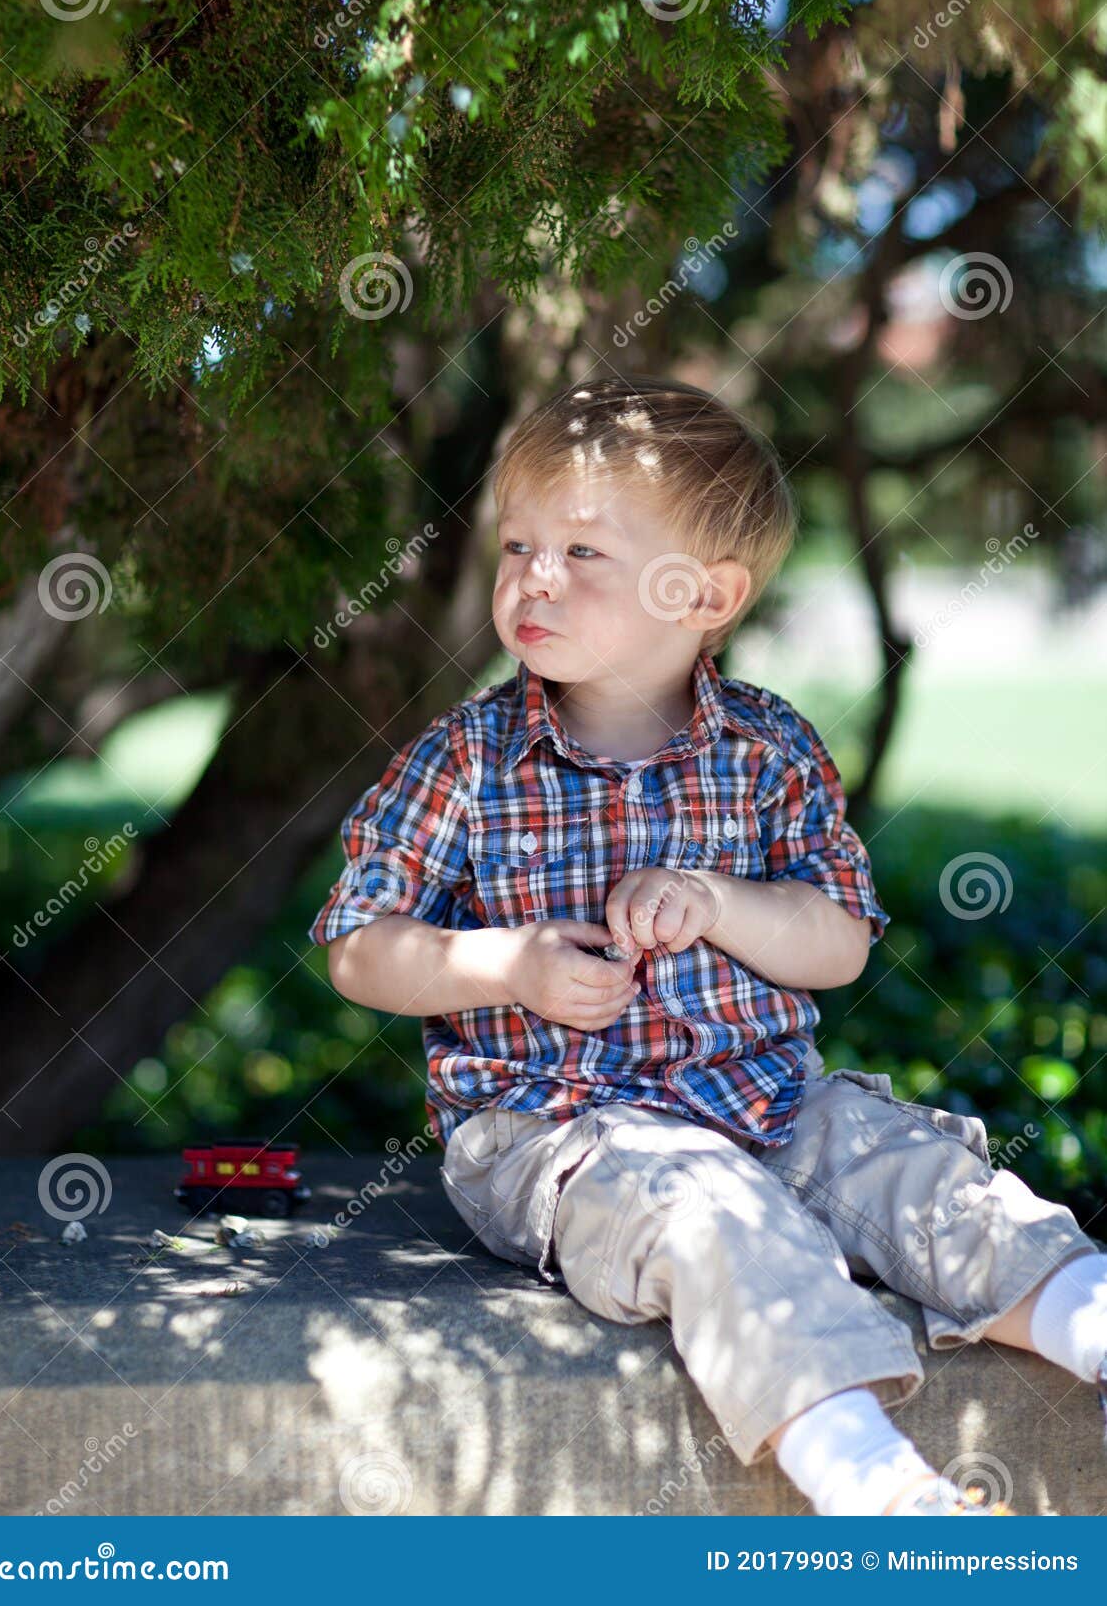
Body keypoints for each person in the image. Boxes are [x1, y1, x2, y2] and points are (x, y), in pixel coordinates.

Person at [309, 375, 1107, 1516]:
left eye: (583, 551)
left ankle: (1090, 1321)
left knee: (917, 1173)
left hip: (767, 1098)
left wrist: (718, 900)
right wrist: (509, 963)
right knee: (711, 1214)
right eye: (519, 543)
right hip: (555, 1134)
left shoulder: (769, 747)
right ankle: (874, 1485)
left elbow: (835, 941)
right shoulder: (467, 757)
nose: (534, 575)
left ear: (708, 594)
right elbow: (355, 944)